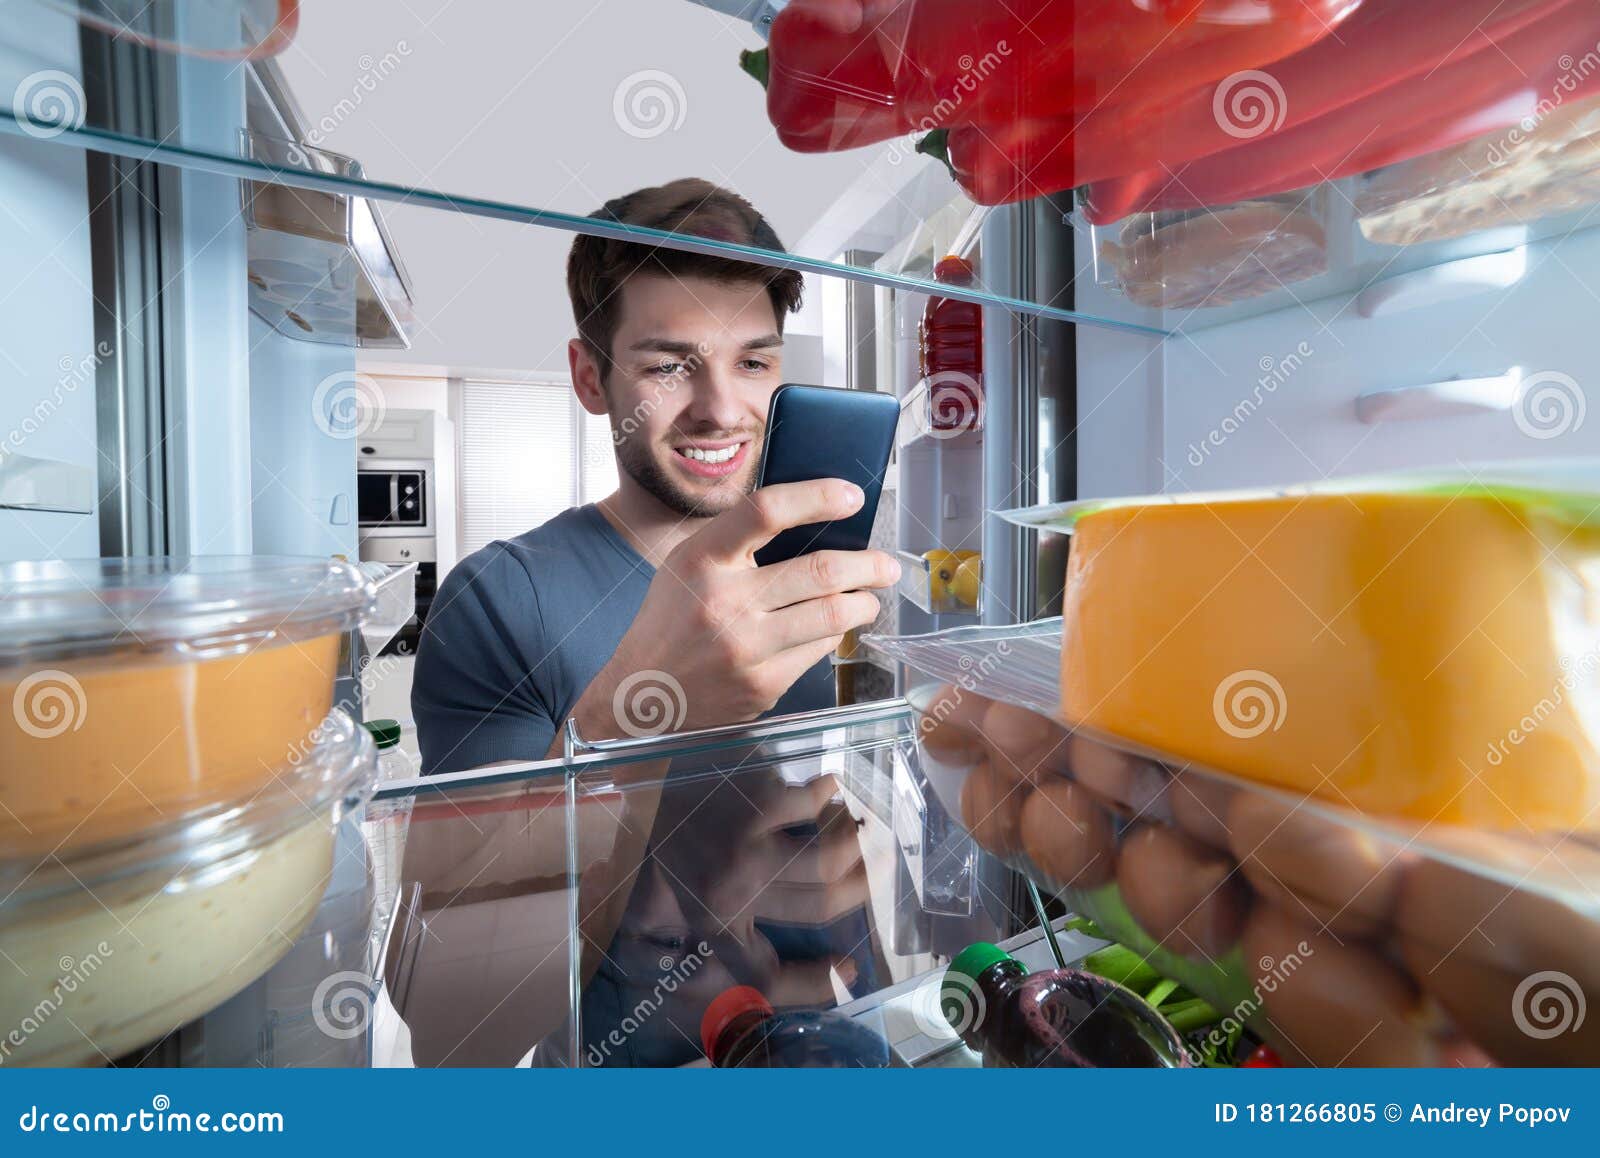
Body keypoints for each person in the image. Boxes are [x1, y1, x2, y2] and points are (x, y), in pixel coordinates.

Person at [411, 178, 901, 776]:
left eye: (752, 362)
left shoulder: (801, 565)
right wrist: (644, 710)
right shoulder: (497, 600)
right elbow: (455, 871)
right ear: (591, 378)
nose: (721, 411)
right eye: (669, 366)